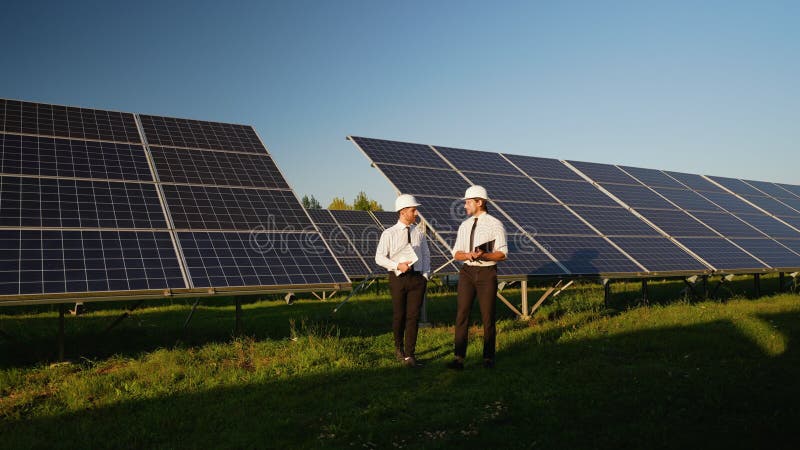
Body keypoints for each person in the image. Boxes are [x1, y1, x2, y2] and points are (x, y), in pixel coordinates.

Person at [447, 185, 507, 370]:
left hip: (486, 273)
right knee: (462, 314)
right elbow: (455, 253)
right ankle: (459, 357)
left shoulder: (495, 224)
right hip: (467, 272)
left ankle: (488, 358)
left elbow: (503, 254)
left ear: (479, 202)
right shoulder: (464, 225)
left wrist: (484, 255)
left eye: (468, 202)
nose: (465, 206)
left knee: (487, 316)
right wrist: (467, 256)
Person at [375, 194, 431, 367]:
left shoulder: (419, 233)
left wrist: (425, 276)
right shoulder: (389, 233)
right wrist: (396, 265)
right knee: (399, 315)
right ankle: (398, 348)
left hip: (417, 279)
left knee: (413, 317)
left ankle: (410, 354)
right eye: (413, 210)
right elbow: (379, 257)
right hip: (398, 279)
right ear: (403, 211)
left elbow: (426, 254)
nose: (416, 213)